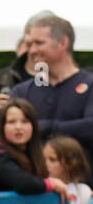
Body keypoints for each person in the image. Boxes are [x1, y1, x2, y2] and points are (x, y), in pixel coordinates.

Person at [11, 13, 93, 171]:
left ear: (63, 42)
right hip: (36, 189)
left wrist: (47, 127)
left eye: (39, 43)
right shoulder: (22, 91)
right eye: (29, 44)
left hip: (85, 190)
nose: (32, 50)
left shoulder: (89, 85)